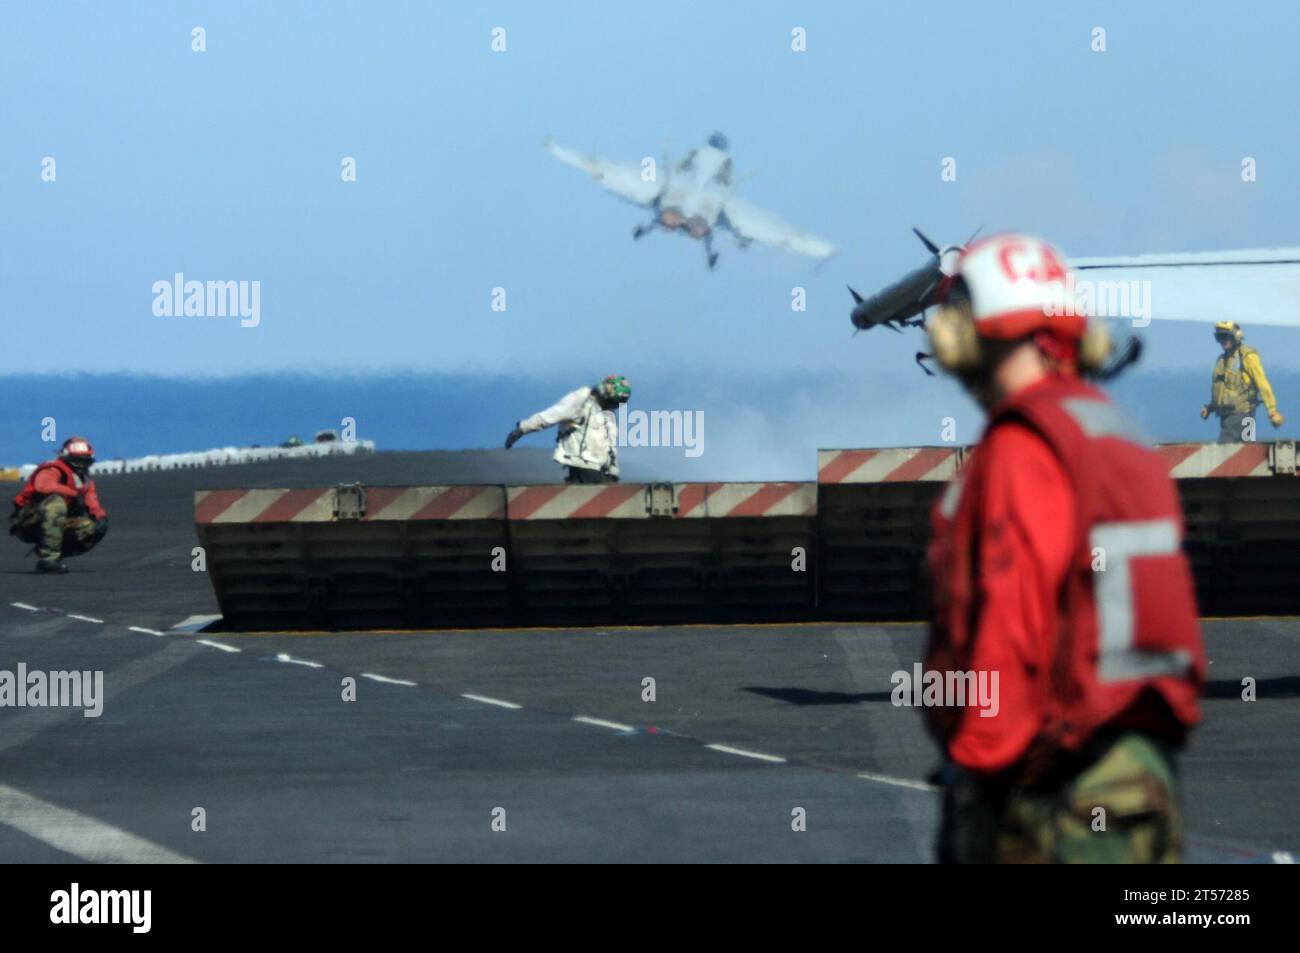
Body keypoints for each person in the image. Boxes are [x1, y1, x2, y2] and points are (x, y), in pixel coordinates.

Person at [922, 234, 1206, 863]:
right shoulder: (1119, 437)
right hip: (1144, 785)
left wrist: (975, 784)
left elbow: (1007, 631)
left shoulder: (1022, 448)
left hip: (1052, 797)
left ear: (978, 326)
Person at [9, 436, 109, 574]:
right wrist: (73, 495)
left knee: (91, 528)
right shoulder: (53, 469)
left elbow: (92, 500)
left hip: (56, 522)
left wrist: (101, 517)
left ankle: (52, 553)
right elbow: (42, 485)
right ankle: (48, 559)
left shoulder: (85, 480)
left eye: (84, 460)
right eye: (77, 460)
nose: (80, 464)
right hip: (29, 520)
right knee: (56, 503)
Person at [504, 375, 631, 483]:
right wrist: (522, 429)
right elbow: (549, 416)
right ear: (605, 393)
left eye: (618, 404)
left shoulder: (606, 415)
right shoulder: (581, 401)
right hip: (580, 465)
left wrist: (613, 471)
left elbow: (611, 445)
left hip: (599, 470)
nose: (614, 406)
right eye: (613, 402)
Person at [1201, 321, 1283, 443]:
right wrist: (1210, 407)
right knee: (1246, 454)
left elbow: (1262, 383)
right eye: (1219, 337)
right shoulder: (1222, 361)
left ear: (1236, 335)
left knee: (1223, 452)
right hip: (1229, 417)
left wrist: (1272, 411)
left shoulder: (1247, 356)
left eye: (1225, 336)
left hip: (1241, 416)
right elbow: (1223, 390)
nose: (1222, 340)